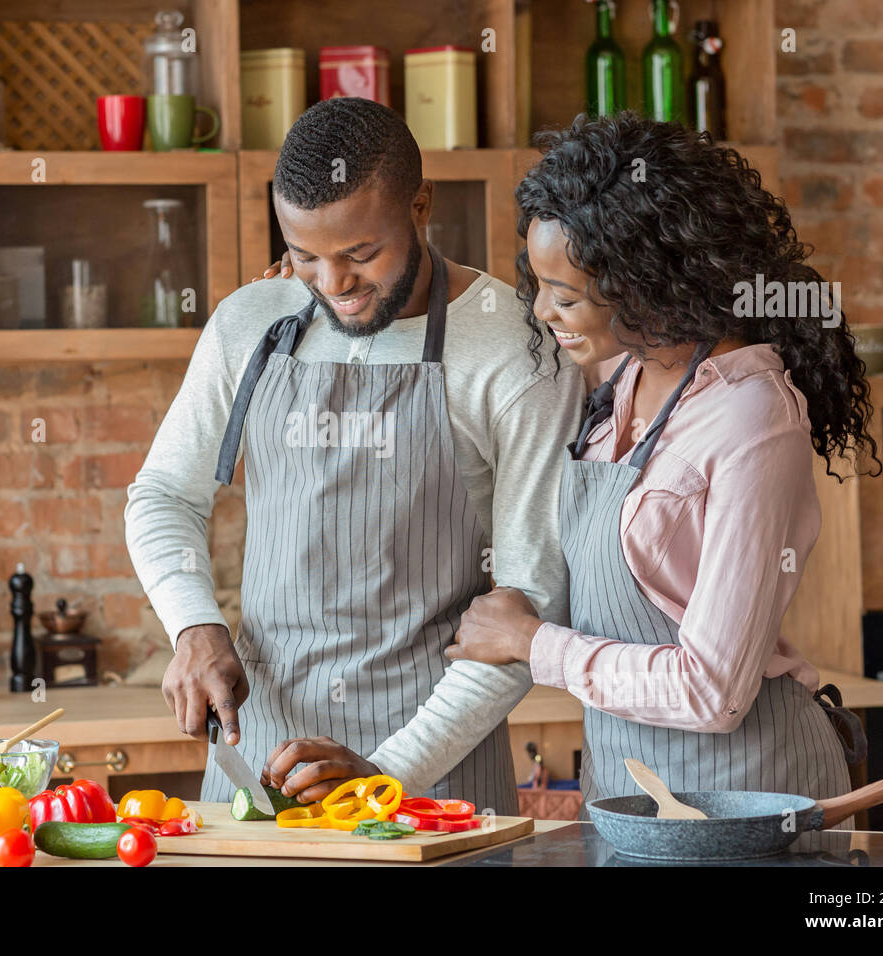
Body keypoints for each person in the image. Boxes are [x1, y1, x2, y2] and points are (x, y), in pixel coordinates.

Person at [125, 98, 585, 811]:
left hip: (431, 775)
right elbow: (164, 494)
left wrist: (388, 773)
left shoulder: (512, 348)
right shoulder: (252, 321)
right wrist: (193, 623)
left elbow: (531, 595)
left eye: (360, 254)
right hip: (259, 757)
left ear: (421, 205)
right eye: (306, 256)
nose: (333, 285)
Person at [449, 113, 877, 817]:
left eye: (566, 295)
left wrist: (534, 645)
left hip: (751, 797)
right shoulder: (620, 378)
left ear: (650, 282)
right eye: (538, 284)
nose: (542, 312)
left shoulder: (752, 417)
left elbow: (712, 691)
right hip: (627, 798)